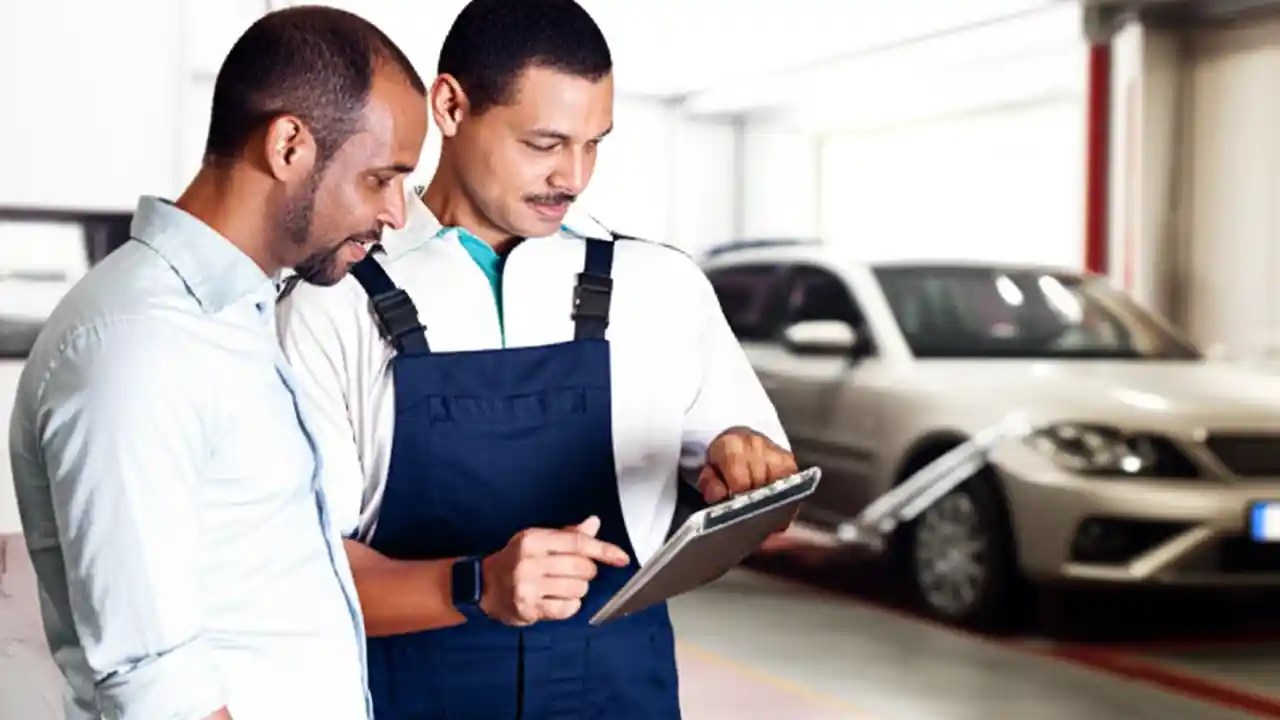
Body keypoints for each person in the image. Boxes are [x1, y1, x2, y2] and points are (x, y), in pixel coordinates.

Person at [276, 0, 796, 717]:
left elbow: (762, 508)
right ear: (450, 106)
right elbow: (293, 578)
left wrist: (746, 469)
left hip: (620, 698)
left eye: (594, 144)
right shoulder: (332, 303)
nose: (574, 176)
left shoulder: (663, 288)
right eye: (545, 143)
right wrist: (474, 585)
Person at [8, 7, 427, 719]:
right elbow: (159, 689)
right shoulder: (137, 344)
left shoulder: (234, 314)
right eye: (380, 178)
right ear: (289, 146)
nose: (396, 213)